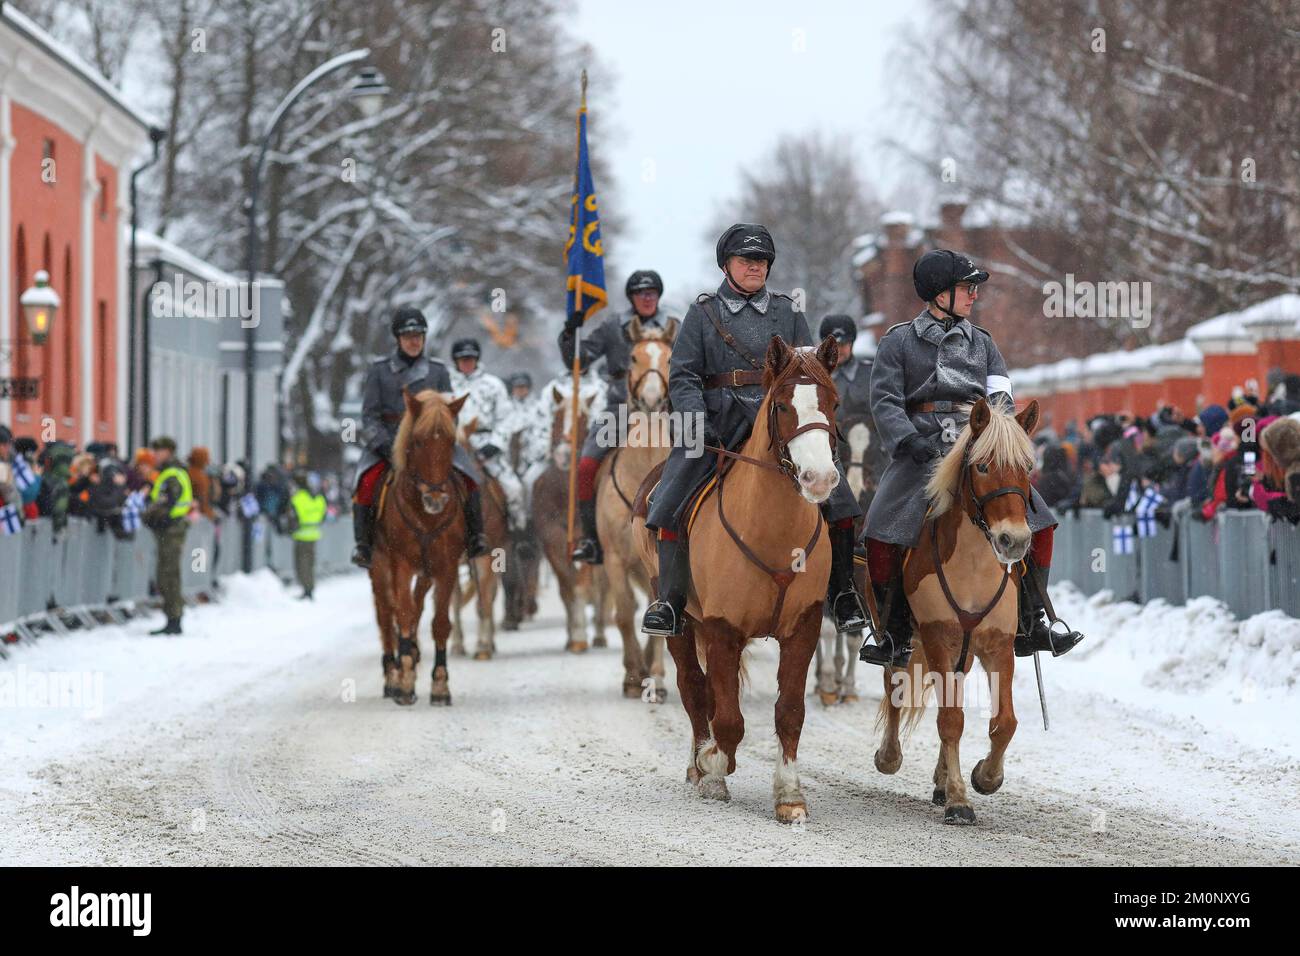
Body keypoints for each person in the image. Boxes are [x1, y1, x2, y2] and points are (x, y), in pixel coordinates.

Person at [860, 249, 1083, 667]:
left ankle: (1032, 619)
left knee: (1041, 518)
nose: (973, 296)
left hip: (978, 448)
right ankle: (893, 631)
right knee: (879, 526)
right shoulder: (899, 340)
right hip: (920, 450)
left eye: (974, 289)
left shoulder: (983, 343)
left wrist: (999, 438)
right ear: (938, 293)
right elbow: (885, 400)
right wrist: (907, 439)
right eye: (966, 288)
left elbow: (1000, 398)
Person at [641, 224, 866, 637]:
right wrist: (697, 425)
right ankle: (669, 602)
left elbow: (808, 372)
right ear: (726, 265)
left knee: (841, 500)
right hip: (716, 423)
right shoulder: (703, 312)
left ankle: (843, 594)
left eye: (761, 262)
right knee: (670, 498)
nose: (754, 268)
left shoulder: (787, 311)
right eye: (746, 261)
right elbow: (684, 376)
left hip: (782, 424)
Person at [351, 307, 488, 567]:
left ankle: (475, 537)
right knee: (366, 483)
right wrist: (385, 445)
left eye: (419, 335)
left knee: (469, 477)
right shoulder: (379, 370)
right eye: (408, 336)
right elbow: (369, 416)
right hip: (388, 441)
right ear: (398, 339)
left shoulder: (438, 371)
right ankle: (364, 544)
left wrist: (441, 437)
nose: (414, 341)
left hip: (432, 443)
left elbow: (451, 413)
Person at [561, 269, 678, 564]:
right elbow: (578, 359)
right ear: (631, 298)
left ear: (658, 296)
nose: (647, 298)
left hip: (669, 409)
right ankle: (591, 540)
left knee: (703, 456)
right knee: (587, 465)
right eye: (641, 293)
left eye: (652, 293)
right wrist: (569, 333)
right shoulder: (613, 326)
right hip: (619, 410)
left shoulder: (677, 326)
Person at [448, 337, 527, 537]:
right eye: (462, 359)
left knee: (514, 489)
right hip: (453, 448)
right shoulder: (445, 385)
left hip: (487, 446)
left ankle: (517, 532)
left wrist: (494, 446)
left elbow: (506, 419)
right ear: (455, 361)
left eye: (470, 358)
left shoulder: (493, 385)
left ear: (477, 359)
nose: (467, 363)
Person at [142, 436, 192, 635]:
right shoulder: (170, 472)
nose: (154, 455)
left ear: (168, 452)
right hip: (171, 529)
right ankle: (173, 617)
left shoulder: (171, 474)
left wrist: (148, 517)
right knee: (168, 574)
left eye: (157, 451)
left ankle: (174, 619)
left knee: (168, 575)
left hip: (171, 530)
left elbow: (165, 504)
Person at [289, 471, 327, 600]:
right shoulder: (319, 498)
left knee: (302, 564)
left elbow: (292, 516)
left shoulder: (298, 498)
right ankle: (309, 588)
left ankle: (306, 590)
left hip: (301, 535)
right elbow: (323, 516)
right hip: (314, 534)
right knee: (310, 564)